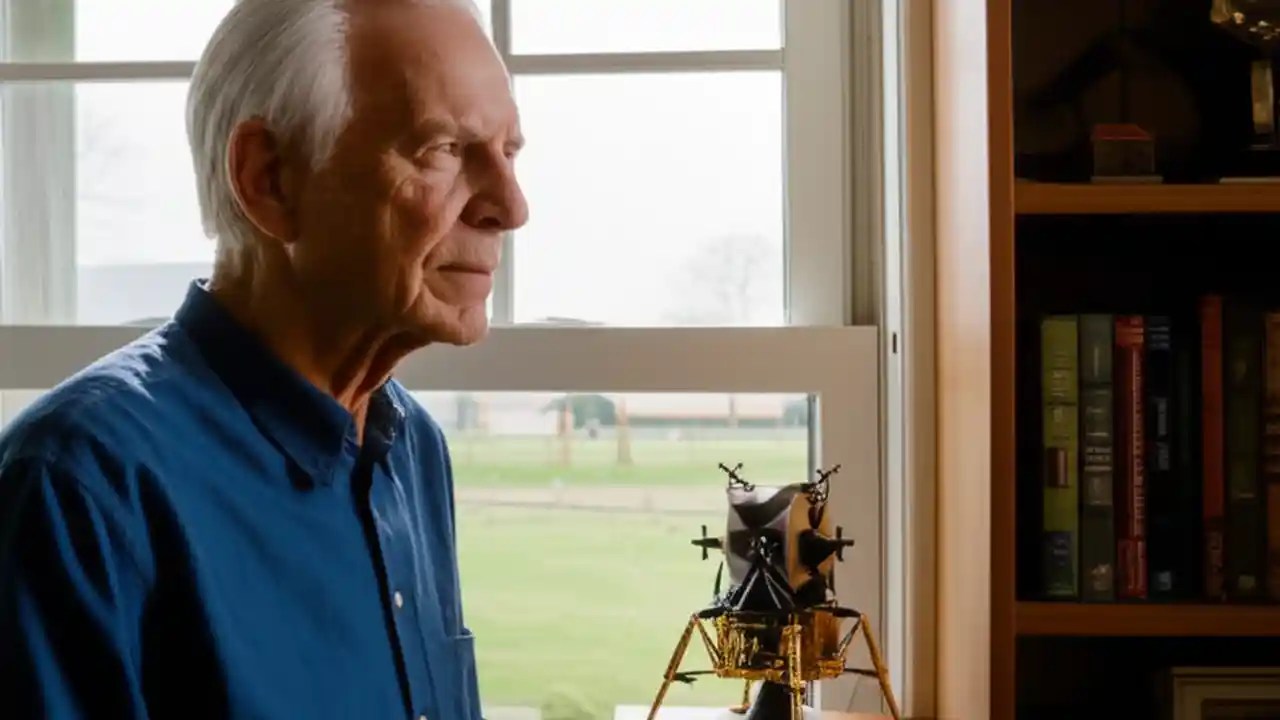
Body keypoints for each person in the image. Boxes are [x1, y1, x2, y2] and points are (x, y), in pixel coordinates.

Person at [0, 0, 526, 718]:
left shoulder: (413, 451)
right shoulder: (79, 487)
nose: (510, 204)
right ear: (269, 179)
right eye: (441, 149)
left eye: (509, 152)